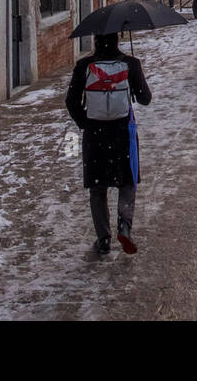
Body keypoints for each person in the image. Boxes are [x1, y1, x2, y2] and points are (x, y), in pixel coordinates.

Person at [65, 33, 152, 256]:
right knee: (127, 182)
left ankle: (103, 238)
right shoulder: (130, 63)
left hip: (95, 133)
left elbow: (71, 101)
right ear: (117, 40)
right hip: (123, 132)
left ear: (95, 42)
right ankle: (124, 226)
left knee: (97, 186)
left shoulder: (84, 65)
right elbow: (145, 99)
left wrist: (84, 123)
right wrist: (134, 80)